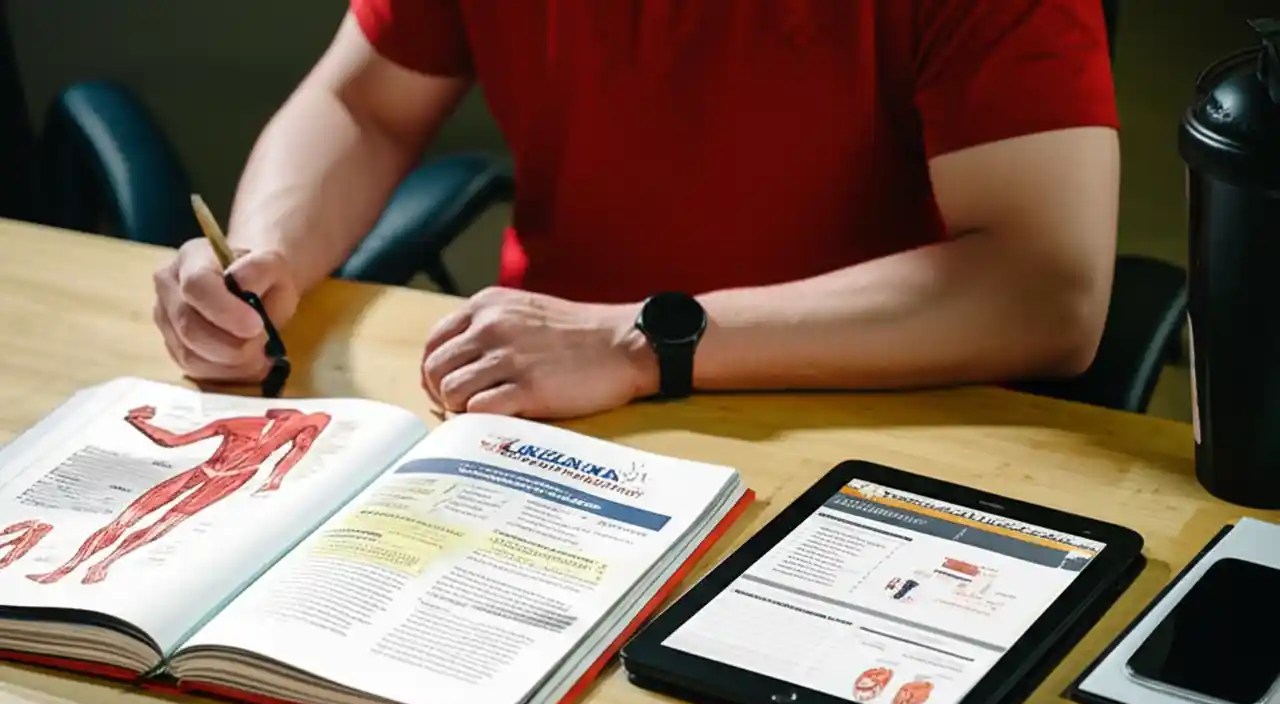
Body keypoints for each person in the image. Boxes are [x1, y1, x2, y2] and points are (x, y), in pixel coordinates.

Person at [151, 1, 1120, 420]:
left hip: (863, 407)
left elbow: (1043, 291)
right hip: (534, 402)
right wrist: (265, 252)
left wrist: (634, 344)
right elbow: (361, 103)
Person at [26, 406, 330, 585]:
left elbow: (302, 444)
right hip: (209, 472)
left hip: (226, 480)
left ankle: (102, 564)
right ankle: (69, 567)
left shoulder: (294, 424)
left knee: (157, 524)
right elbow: (173, 441)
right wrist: (138, 421)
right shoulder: (240, 423)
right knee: (132, 517)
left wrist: (277, 476)